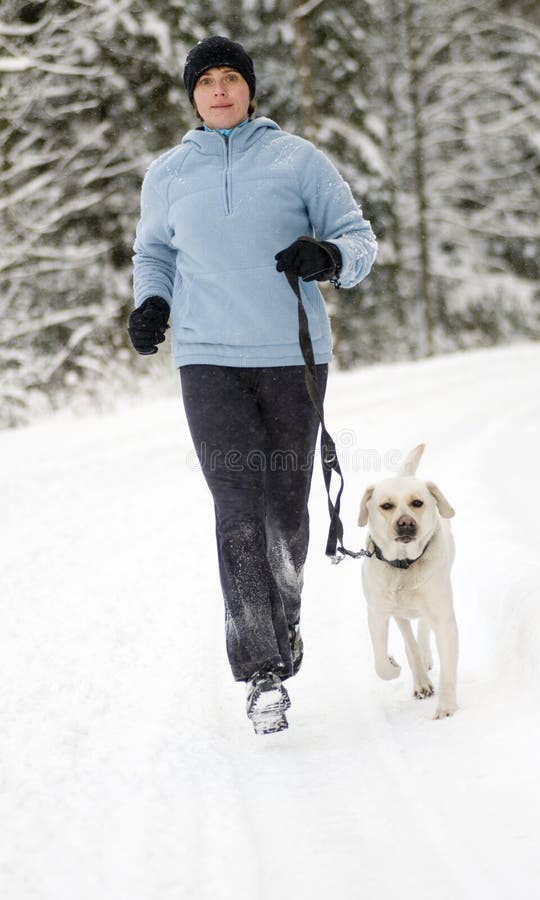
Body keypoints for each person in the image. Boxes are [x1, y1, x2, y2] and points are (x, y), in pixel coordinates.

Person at [129, 35, 376, 735]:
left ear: (250, 89)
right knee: (235, 502)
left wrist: (328, 254)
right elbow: (154, 253)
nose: (218, 90)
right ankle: (261, 670)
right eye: (205, 80)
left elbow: (359, 239)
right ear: (192, 96)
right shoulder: (168, 174)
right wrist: (153, 303)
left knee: (284, 510)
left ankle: (285, 619)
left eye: (230, 77)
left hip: (291, 355)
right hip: (207, 358)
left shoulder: (298, 161)